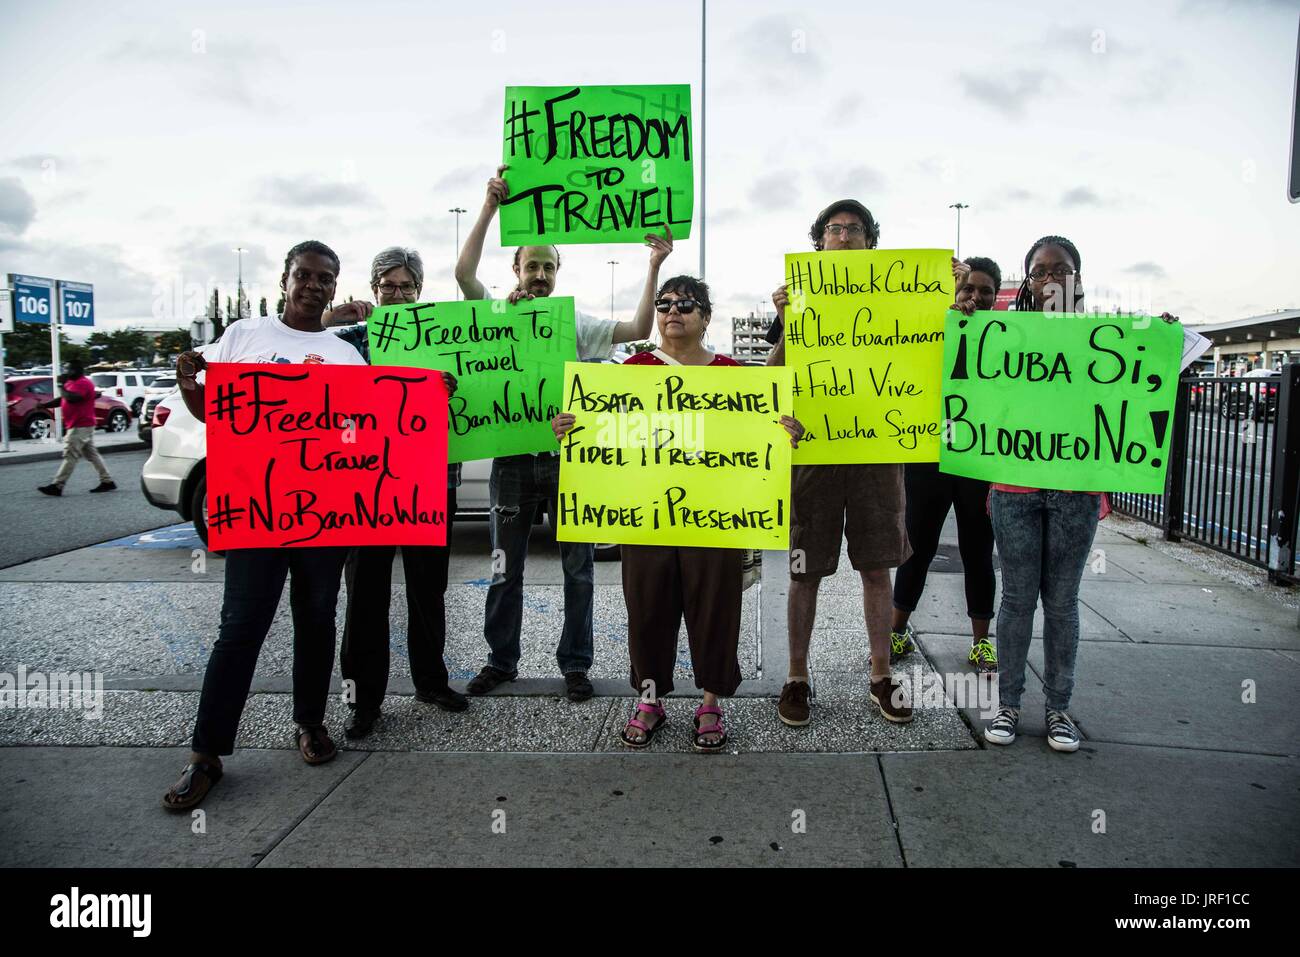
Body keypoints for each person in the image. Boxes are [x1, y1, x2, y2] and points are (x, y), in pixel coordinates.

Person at [550, 235, 803, 750]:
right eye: (664, 304)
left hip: (714, 520)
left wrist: (784, 432)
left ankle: (710, 703)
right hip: (645, 519)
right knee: (646, 609)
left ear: (706, 316)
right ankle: (649, 700)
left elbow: (762, 423)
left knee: (715, 608)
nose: (672, 312)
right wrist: (571, 427)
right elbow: (601, 431)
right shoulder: (630, 374)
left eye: (686, 304)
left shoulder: (731, 373)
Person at [162, 240, 366, 810]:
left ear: (334, 286)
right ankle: (206, 754)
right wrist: (187, 384)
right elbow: (212, 410)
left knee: (317, 620)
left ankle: (310, 723)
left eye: (325, 278)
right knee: (239, 630)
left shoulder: (345, 355)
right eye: (304, 275)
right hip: (254, 513)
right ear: (285, 279)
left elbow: (362, 433)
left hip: (323, 518)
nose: (313, 285)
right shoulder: (242, 338)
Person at [454, 164, 658, 701]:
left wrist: (653, 263)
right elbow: (462, 275)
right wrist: (490, 207)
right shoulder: (497, 314)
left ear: (557, 273)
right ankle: (500, 662)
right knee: (504, 570)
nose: (540, 274)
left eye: (548, 266)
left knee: (580, 569)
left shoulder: (575, 322)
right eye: (531, 265)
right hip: (514, 457)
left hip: (569, 459)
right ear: (516, 268)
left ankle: (576, 665)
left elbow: (638, 331)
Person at [981, 235, 1177, 753]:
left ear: (1078, 279)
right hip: (1014, 486)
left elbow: (1132, 395)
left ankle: (1059, 709)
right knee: (1018, 600)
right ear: (1027, 280)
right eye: (1040, 270)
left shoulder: (1105, 338)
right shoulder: (1002, 338)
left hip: (1077, 491)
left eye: (1060, 269)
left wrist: (1161, 344)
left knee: (1062, 602)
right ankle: (1008, 704)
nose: (1050, 279)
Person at [767, 199, 914, 728]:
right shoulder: (799, 300)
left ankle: (880, 674)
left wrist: (952, 291)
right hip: (817, 454)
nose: (845, 236)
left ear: (872, 242)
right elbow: (770, 377)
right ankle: (797, 677)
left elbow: (931, 356)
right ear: (819, 241)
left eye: (856, 229)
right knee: (805, 570)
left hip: (877, 453)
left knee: (877, 567)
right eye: (835, 228)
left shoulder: (901, 297)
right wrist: (787, 324)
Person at [321, 247, 467, 739]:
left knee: (429, 589)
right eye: (388, 286)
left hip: (430, 480)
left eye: (406, 286)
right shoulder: (353, 339)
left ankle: (431, 681)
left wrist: (451, 385)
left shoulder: (445, 337)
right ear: (374, 290)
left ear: (420, 291)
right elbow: (302, 338)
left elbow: (483, 385)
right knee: (365, 593)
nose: (398, 294)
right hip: (367, 484)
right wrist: (331, 312)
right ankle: (363, 701)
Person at [889, 257, 1002, 674]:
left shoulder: (1010, 340)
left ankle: (981, 642)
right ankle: (898, 631)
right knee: (917, 545)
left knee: (978, 549)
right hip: (930, 456)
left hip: (979, 459)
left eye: (985, 291)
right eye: (967, 289)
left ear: (996, 297)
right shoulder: (935, 328)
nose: (975, 297)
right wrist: (945, 321)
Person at [35, 359, 116, 496]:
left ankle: (57, 485)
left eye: (68, 369)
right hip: (78, 424)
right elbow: (63, 399)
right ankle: (107, 481)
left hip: (81, 425)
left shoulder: (83, 383)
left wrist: (60, 385)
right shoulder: (71, 382)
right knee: (92, 454)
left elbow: (73, 398)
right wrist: (45, 405)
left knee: (70, 454)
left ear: (77, 370)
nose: (65, 372)